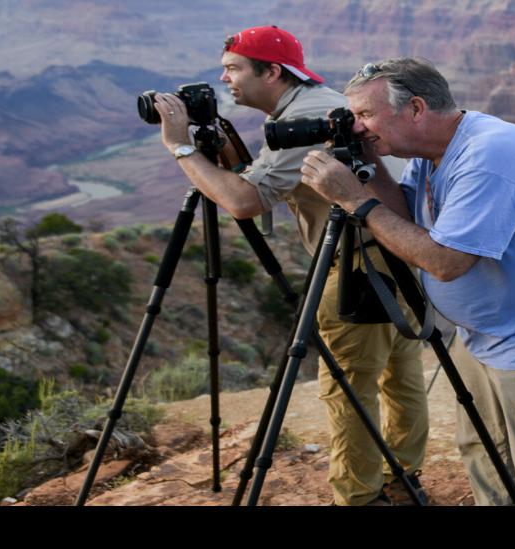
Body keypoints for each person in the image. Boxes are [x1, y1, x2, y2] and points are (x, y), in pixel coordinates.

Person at [299, 57, 515, 505]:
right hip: (483, 337)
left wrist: (355, 200)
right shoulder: (433, 152)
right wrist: (367, 162)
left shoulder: (491, 154)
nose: (359, 127)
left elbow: (445, 261)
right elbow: (404, 219)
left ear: (417, 108)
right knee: (488, 461)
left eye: (365, 115)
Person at [152, 25, 428, 507]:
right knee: (398, 373)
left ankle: (360, 496)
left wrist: (180, 146)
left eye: (234, 69)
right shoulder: (322, 101)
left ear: (272, 71)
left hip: (361, 261)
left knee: (349, 382)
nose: (225, 79)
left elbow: (243, 200)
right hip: (401, 247)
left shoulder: (304, 118)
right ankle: (402, 476)